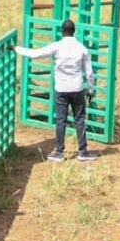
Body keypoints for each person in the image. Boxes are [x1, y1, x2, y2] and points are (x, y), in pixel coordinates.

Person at [11, 19, 98, 162]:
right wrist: (90, 89)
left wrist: (16, 48)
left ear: (62, 31)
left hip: (61, 88)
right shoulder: (81, 48)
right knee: (80, 119)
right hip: (77, 88)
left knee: (60, 120)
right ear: (74, 31)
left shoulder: (57, 47)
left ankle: (59, 151)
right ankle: (83, 151)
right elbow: (89, 72)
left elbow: (35, 54)